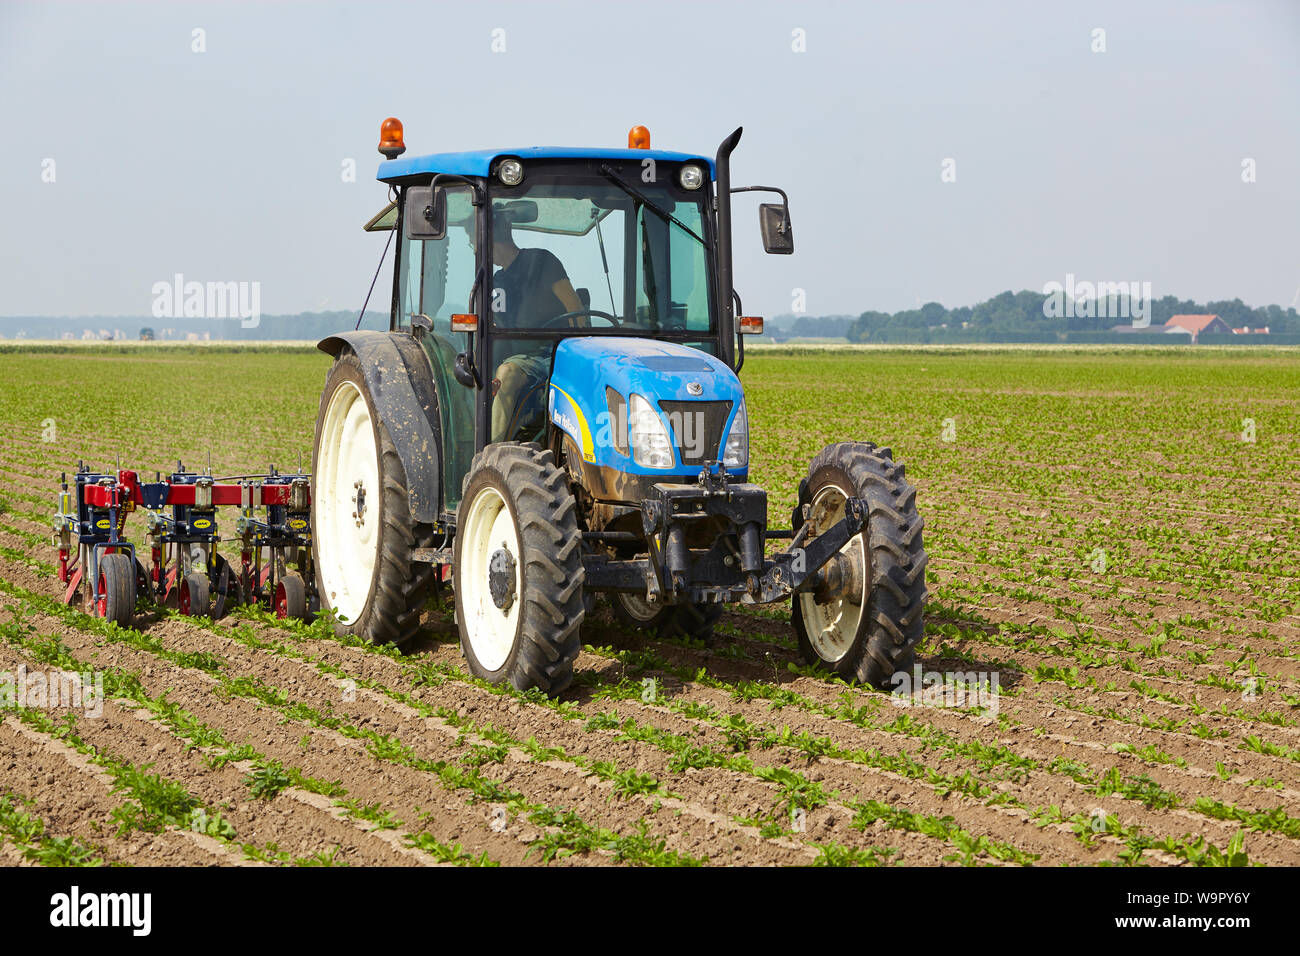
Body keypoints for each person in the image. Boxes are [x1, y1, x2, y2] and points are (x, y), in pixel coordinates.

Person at [488, 207, 586, 442]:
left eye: (475, 243)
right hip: (525, 360)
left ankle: (491, 454)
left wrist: (580, 352)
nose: (474, 250)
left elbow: (574, 306)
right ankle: (492, 452)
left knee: (508, 374)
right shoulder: (497, 281)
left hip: (556, 353)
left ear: (490, 240)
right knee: (503, 374)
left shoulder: (541, 261)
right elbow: (493, 323)